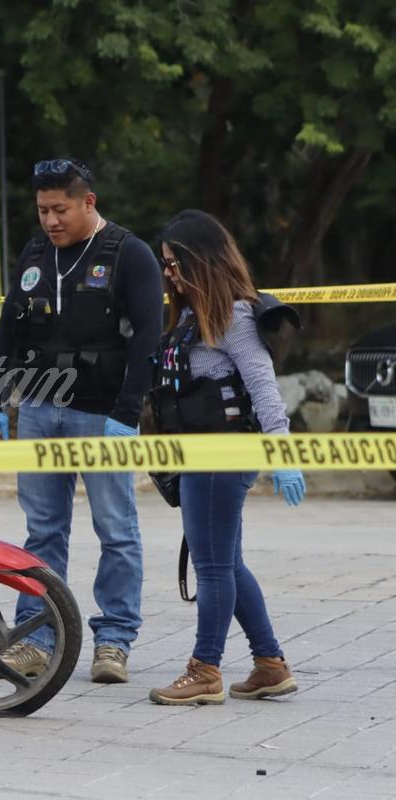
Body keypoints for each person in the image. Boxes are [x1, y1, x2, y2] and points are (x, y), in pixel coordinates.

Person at [0, 158, 163, 683]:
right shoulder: (36, 252)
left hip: (100, 413)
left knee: (116, 529)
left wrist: (128, 412)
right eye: (42, 210)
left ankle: (114, 641)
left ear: (89, 202)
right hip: (39, 411)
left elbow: (148, 340)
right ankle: (35, 641)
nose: (50, 221)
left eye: (60, 209)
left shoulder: (130, 254)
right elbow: (8, 331)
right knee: (42, 533)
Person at [147, 209, 304, 705]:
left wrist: (285, 456)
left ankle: (205, 670)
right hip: (198, 454)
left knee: (212, 567)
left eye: (175, 263)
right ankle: (270, 665)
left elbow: (263, 388)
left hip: (221, 455)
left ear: (202, 262)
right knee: (228, 563)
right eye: (165, 264)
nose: (169, 273)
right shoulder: (194, 313)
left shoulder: (234, 316)